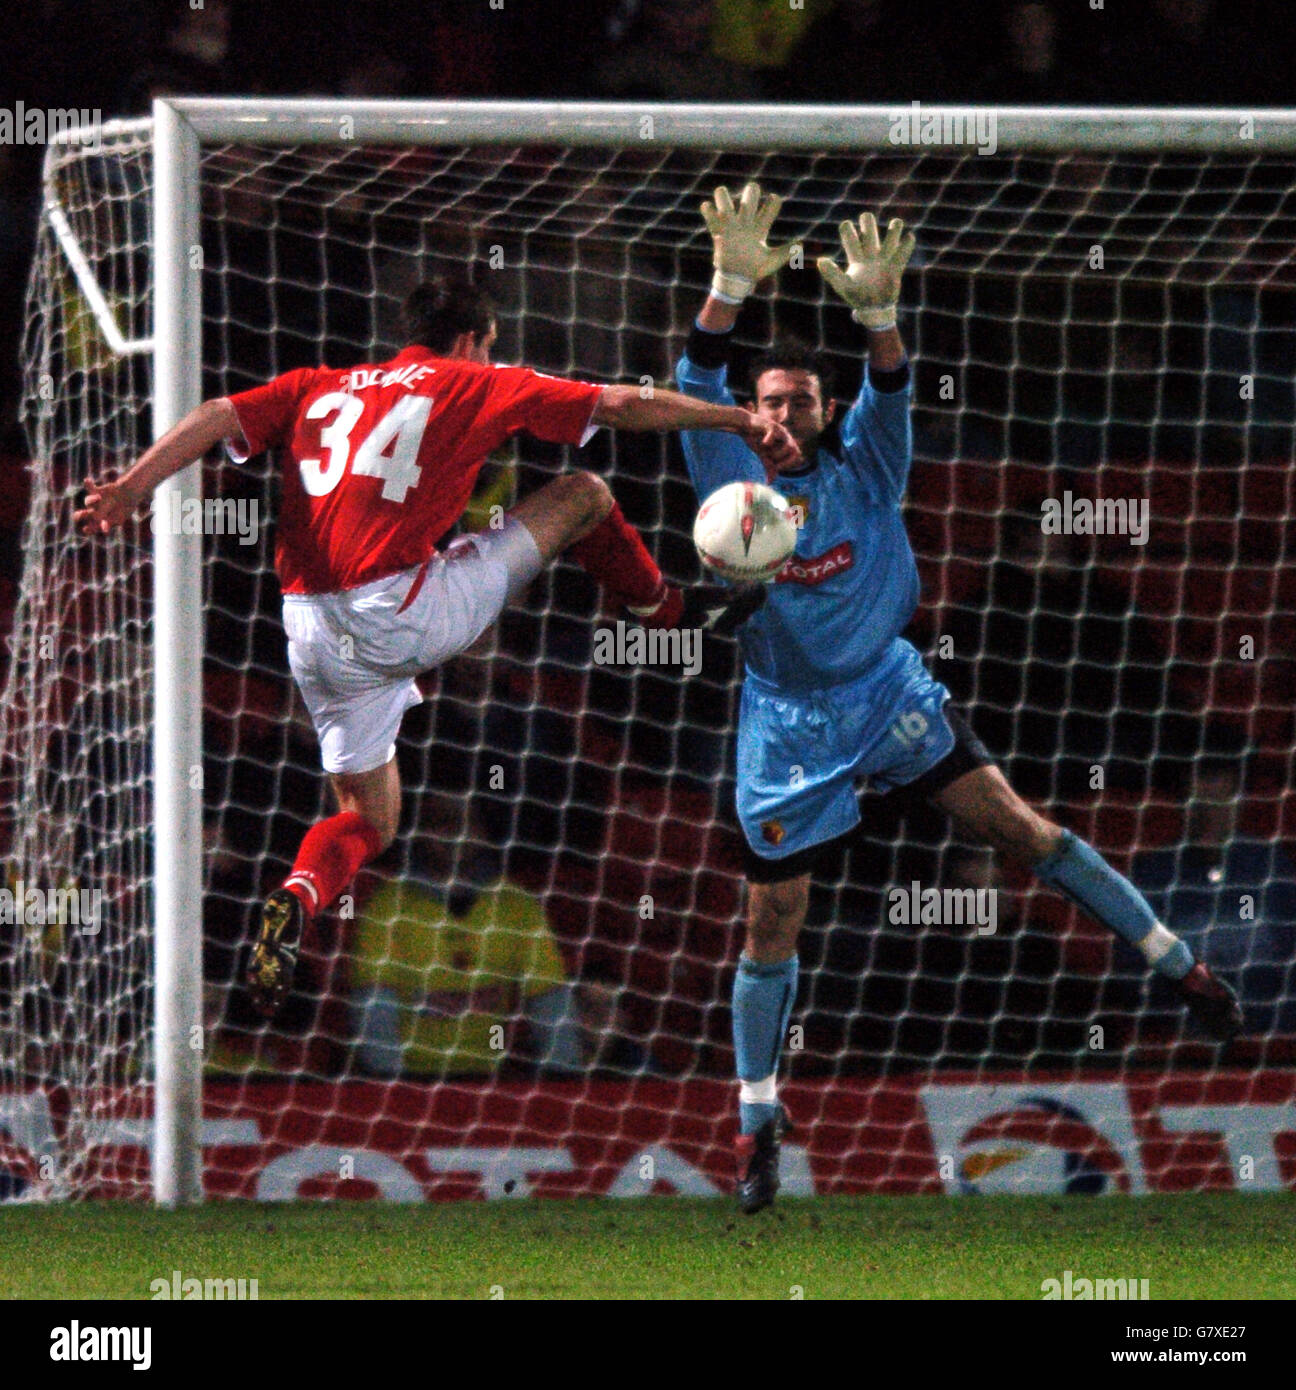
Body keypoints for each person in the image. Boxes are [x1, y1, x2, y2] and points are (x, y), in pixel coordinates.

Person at [673, 182, 1243, 1213]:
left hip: (889, 689)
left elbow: (891, 387)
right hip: (789, 720)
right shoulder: (724, 470)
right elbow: (692, 371)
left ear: (823, 409)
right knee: (774, 916)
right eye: (767, 401)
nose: (781, 416)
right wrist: (725, 287)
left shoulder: (868, 464)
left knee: (1022, 830)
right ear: (747, 413)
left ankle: (1182, 968)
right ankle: (758, 1117)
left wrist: (881, 317)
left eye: (801, 400)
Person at [76, 272, 800, 1020]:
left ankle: (299, 893)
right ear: (472, 341)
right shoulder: (472, 381)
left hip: (307, 627)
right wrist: (733, 419)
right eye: (489, 347)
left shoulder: (318, 384)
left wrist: (133, 487)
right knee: (584, 495)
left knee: (370, 818)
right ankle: (672, 616)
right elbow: (619, 402)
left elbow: (215, 413)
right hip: (400, 611)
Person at [1130, 757, 1296, 1039]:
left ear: (1237, 802)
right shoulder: (1153, 874)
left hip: (1270, 1041)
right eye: (1201, 804)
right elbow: (1137, 978)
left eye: (1219, 801)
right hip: (1182, 1045)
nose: (1209, 814)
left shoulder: (1271, 867)